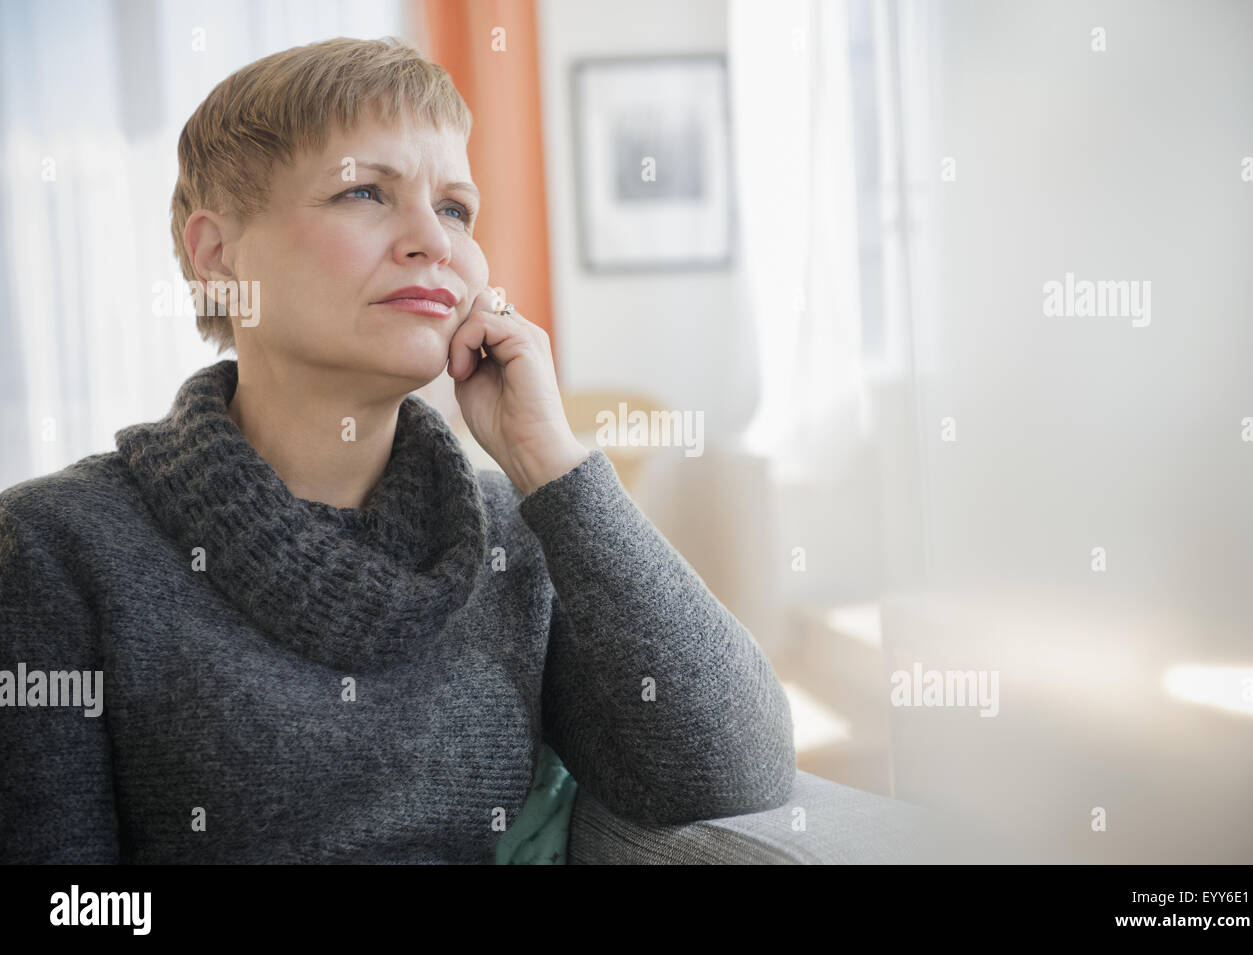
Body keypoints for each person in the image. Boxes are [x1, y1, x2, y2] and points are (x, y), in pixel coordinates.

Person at [0, 36, 796, 863]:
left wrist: (551, 462)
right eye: (364, 192)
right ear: (217, 255)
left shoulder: (511, 535)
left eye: (454, 208)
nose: (434, 241)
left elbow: (732, 772)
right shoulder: (57, 546)